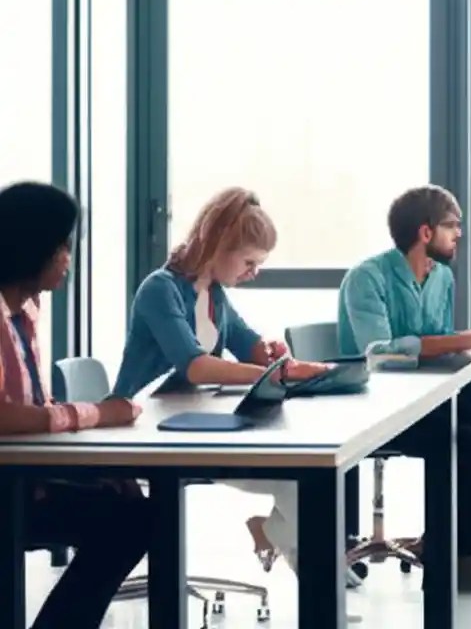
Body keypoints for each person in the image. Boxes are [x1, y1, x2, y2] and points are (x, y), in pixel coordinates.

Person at [111, 188, 334, 580]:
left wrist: (274, 357)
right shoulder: (160, 289)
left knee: (299, 479)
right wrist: (274, 374)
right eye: (249, 261)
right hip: (145, 431)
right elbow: (196, 367)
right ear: (218, 245)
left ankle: (315, 580)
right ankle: (316, 582)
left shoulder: (213, 294)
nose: (254, 272)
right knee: (293, 481)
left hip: (190, 427)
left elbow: (247, 346)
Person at [337, 184, 471, 594]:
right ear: (426, 232)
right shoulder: (366, 278)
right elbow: (380, 353)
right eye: (452, 226)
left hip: (423, 402)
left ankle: (439, 543)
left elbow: (434, 343)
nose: (459, 234)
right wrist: (465, 339)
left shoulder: (441, 277)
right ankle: (465, 556)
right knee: (469, 443)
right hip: (376, 411)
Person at [0, 181, 155, 629]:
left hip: (24, 479)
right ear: (34, 247)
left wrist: (95, 466)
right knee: (131, 523)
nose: (68, 257)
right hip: (11, 489)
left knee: (135, 512)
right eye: (62, 245)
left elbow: (34, 409)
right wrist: (96, 413)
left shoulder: (24, 313)